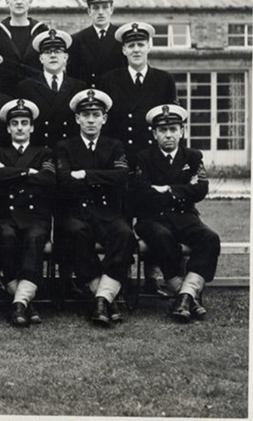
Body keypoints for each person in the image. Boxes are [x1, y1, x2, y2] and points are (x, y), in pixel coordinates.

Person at [130, 104, 219, 323]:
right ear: (154, 133)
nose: (168, 135)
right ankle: (186, 296)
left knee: (210, 239)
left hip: (184, 216)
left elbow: (200, 190)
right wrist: (181, 191)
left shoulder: (193, 156)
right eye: (163, 130)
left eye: (173, 129)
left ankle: (185, 295)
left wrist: (168, 189)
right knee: (162, 237)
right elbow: (141, 193)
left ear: (182, 131)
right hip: (152, 219)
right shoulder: (142, 158)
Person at [54, 89, 134, 327]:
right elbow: (64, 180)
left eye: (96, 114)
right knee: (77, 234)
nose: (90, 120)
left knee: (125, 234)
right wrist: (101, 178)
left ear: (104, 118)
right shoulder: (64, 147)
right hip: (76, 212)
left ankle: (100, 299)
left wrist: (86, 175)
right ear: (77, 118)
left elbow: (121, 175)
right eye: (85, 114)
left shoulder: (114, 145)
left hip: (107, 211)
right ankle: (108, 299)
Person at [0, 98, 56, 327]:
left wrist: (12, 173)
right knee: (6, 237)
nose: (19, 127)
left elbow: (48, 178)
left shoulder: (44, 152)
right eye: (15, 123)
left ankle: (18, 303)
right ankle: (26, 302)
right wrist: (28, 172)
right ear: (8, 128)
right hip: (5, 216)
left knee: (35, 237)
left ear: (32, 127)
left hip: (35, 215)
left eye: (24, 123)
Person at [98, 22, 178, 165]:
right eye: (131, 46)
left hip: (153, 157)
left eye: (140, 45)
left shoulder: (164, 80)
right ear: (124, 50)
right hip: (119, 158)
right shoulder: (109, 80)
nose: (136, 50)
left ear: (148, 47)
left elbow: (173, 123)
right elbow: (104, 125)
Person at [17, 29, 87, 147]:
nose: (53, 55)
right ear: (41, 58)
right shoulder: (26, 87)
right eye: (48, 52)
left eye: (58, 51)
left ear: (65, 57)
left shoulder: (79, 86)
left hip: (69, 149)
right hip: (39, 149)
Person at [0, 0, 49, 96]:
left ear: (30, 1)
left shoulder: (42, 31)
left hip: (38, 93)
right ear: (7, 1)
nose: (19, 2)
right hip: (6, 93)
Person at [67, 0, 126, 88]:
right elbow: (73, 77)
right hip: (89, 97)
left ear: (111, 10)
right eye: (95, 8)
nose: (100, 12)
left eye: (105, 7)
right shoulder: (77, 40)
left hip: (117, 95)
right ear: (89, 11)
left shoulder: (122, 37)